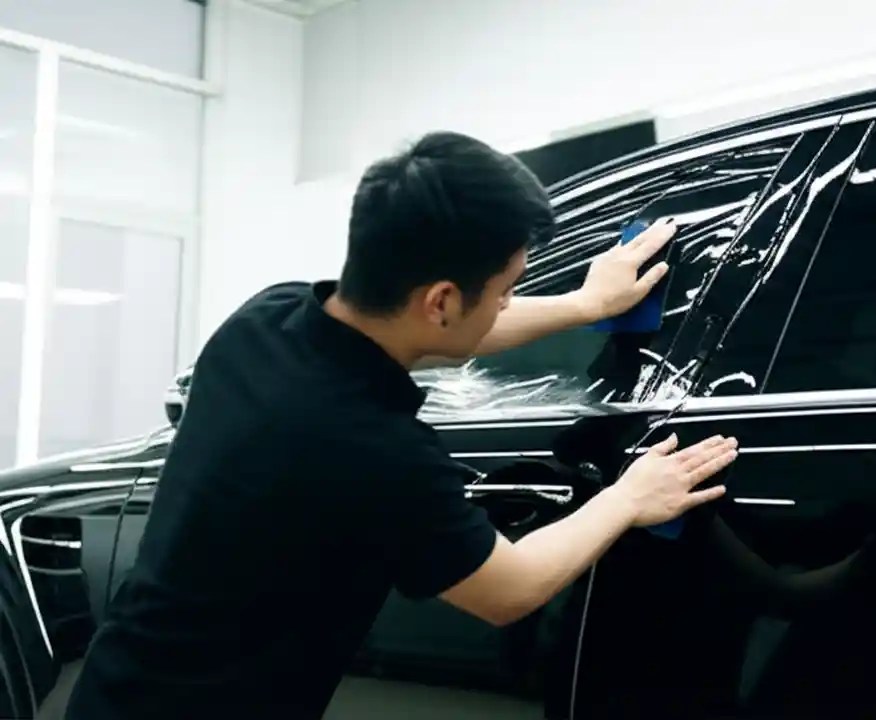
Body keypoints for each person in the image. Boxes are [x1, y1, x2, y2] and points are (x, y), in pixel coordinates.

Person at [64, 131, 739, 719]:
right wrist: (630, 497)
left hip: (116, 692)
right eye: (507, 287)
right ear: (441, 300)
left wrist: (584, 303)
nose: (508, 300)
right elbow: (511, 589)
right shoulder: (376, 450)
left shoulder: (264, 319)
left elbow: (457, 331)